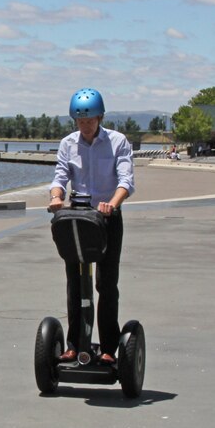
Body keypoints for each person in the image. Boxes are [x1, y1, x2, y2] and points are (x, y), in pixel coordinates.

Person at [48, 88, 134, 365]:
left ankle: (109, 347)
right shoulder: (68, 144)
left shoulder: (118, 142)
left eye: (90, 120)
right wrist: (56, 197)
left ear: (100, 117)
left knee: (106, 284)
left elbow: (126, 181)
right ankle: (74, 344)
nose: (85, 126)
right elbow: (60, 176)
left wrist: (112, 203)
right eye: (80, 121)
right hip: (78, 219)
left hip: (107, 219)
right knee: (76, 283)